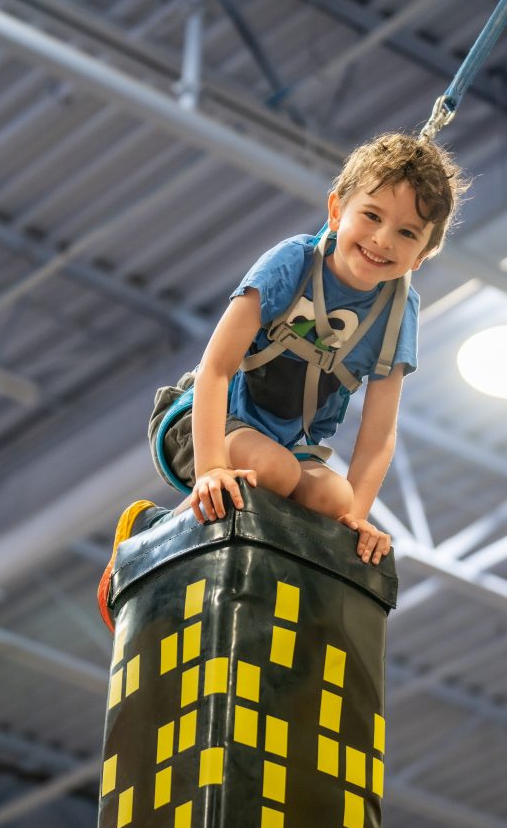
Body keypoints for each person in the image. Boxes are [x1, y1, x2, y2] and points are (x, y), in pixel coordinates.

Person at [149, 131, 467, 566]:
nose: (383, 240)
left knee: (335, 498)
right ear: (337, 211)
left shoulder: (397, 310)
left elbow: (378, 436)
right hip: (200, 421)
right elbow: (216, 368)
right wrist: (211, 470)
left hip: (284, 446)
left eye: (407, 232)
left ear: (422, 256)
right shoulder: (293, 262)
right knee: (275, 471)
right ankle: (154, 540)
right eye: (372, 215)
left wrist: (354, 523)